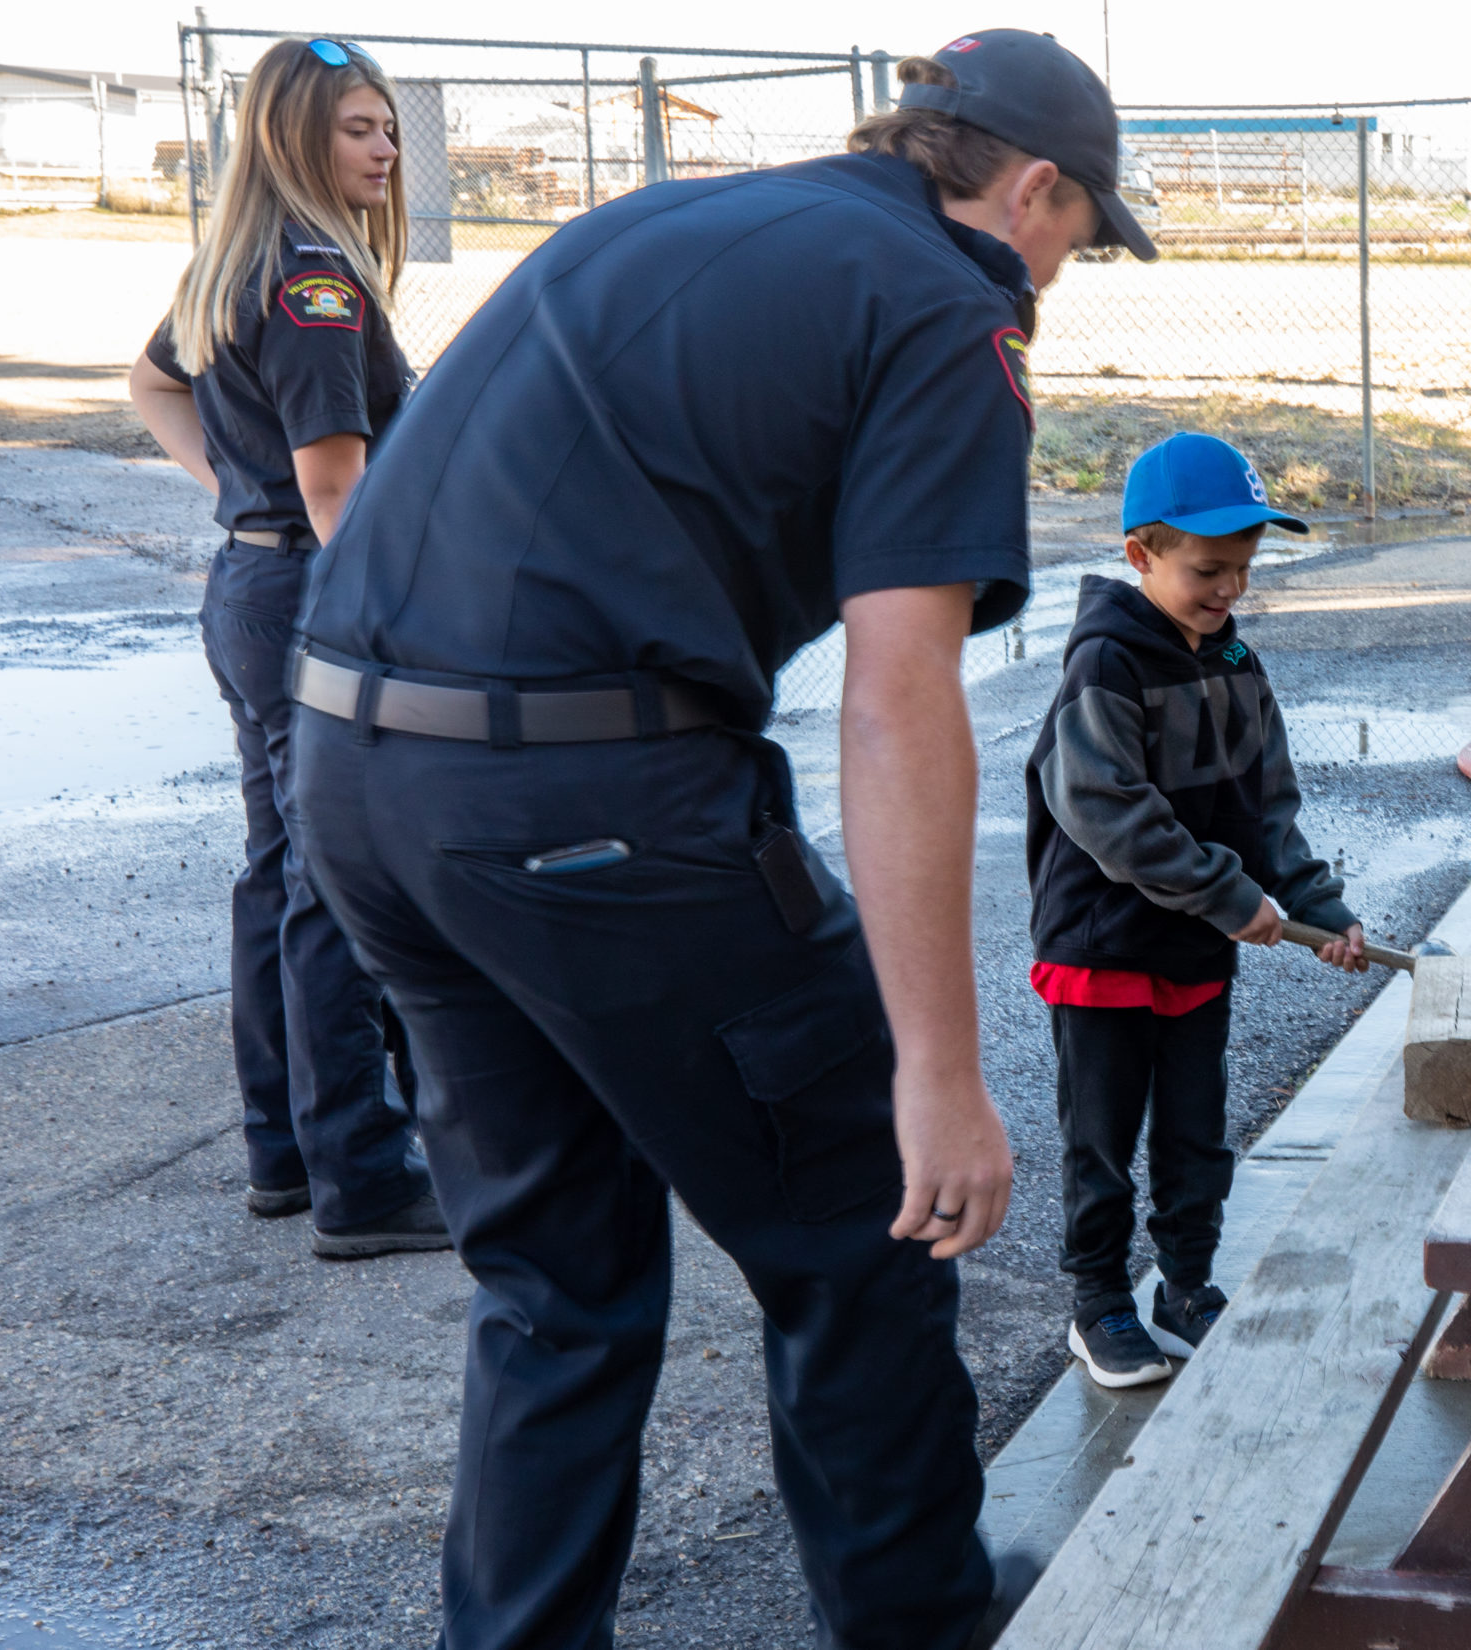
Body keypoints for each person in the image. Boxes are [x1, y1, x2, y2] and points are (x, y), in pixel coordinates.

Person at [284, 29, 1154, 1650]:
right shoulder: (943, 310)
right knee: (864, 1233)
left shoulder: (672, 219)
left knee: (557, 1292)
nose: (1065, 272)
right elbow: (901, 707)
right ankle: (921, 1627)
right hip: (585, 809)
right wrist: (938, 1072)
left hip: (353, 774)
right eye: (1079, 239)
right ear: (1036, 189)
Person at [127, 37, 446, 1261]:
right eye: (363, 127)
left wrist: (233, 493)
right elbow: (336, 488)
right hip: (319, 594)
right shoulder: (318, 279)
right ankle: (362, 1177)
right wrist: (394, 628)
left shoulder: (236, 262)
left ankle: (288, 1153)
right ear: (295, 136)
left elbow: (150, 382)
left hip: (251, 586)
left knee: (279, 870)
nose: (386, 147)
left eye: (387, 127)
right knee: (337, 884)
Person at [1025, 431, 1369, 1389]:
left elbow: (1268, 808)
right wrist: (1229, 895)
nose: (1230, 590)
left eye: (1245, 569)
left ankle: (1185, 1288)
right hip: (1102, 946)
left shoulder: (1238, 664)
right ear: (1141, 555)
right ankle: (1098, 1307)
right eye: (1210, 569)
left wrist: (1317, 906)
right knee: (1101, 1139)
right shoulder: (1106, 665)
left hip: (1195, 945)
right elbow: (1109, 812)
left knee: (1194, 1133)